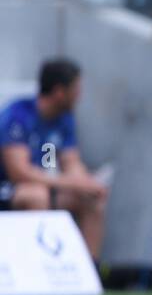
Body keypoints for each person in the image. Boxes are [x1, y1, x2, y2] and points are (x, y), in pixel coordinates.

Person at [0, 59, 110, 261]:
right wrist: (71, 182)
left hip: (47, 186)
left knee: (92, 201)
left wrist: (87, 183)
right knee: (37, 196)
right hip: (10, 189)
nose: (79, 95)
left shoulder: (63, 119)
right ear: (60, 92)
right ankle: (35, 269)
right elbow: (19, 172)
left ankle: (88, 273)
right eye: (76, 89)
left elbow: (71, 162)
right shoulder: (17, 115)